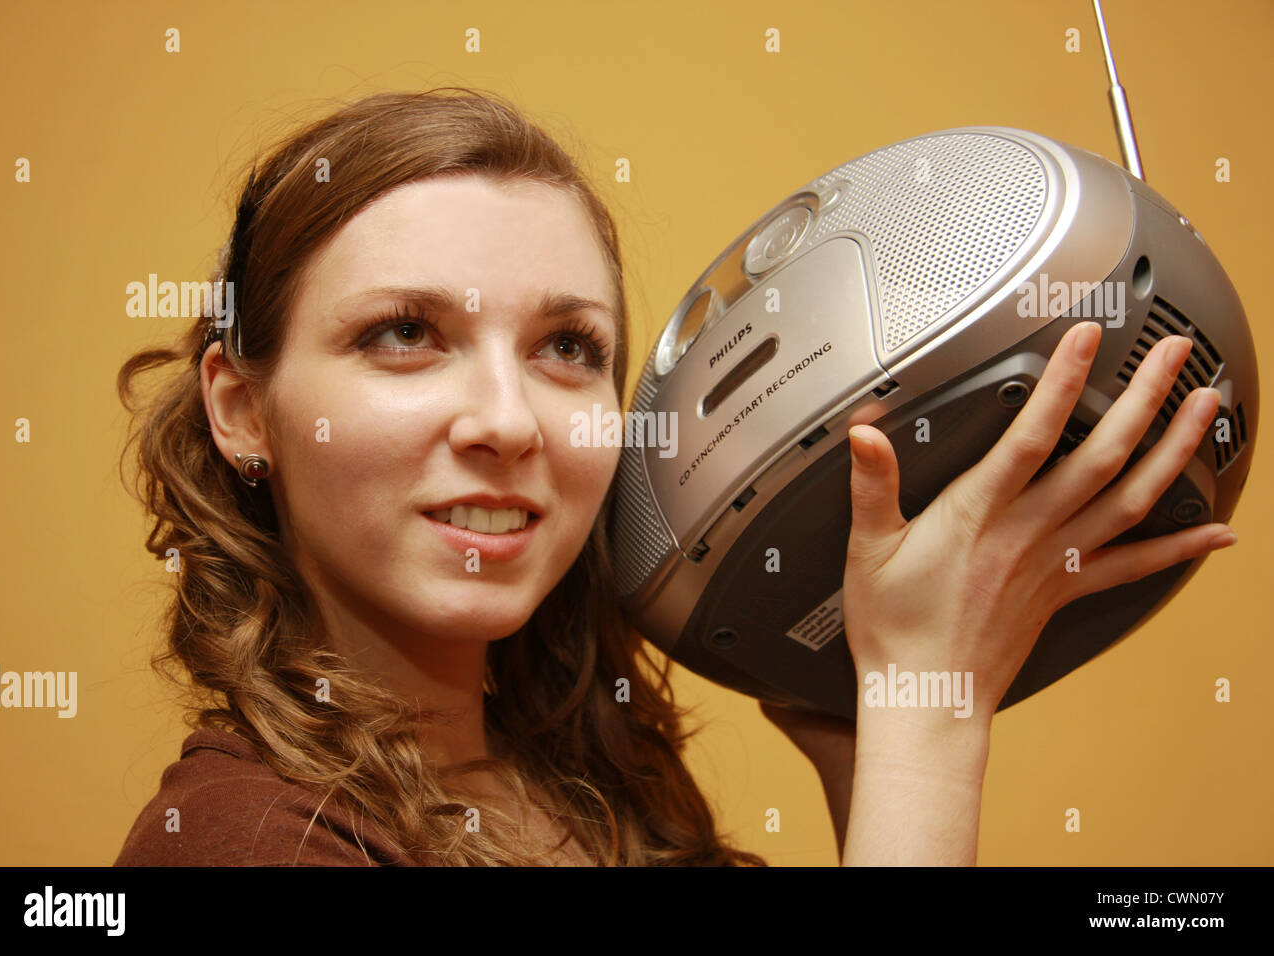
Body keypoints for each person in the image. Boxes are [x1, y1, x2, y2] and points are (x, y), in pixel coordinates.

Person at [113, 87, 1235, 867]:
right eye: (405, 332)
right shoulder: (244, 839)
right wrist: (922, 702)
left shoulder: (595, 788)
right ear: (242, 407)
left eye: (567, 348)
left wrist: (857, 723)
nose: (511, 422)